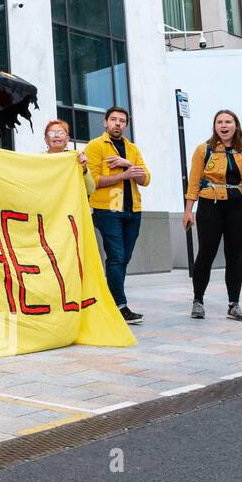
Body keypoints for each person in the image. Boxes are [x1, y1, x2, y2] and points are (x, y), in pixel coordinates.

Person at [182, 110, 242, 322]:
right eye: (219, 122)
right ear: (215, 126)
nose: (223, 125)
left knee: (234, 256)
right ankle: (198, 301)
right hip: (209, 205)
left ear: (235, 125)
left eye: (228, 122)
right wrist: (188, 210)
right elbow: (193, 181)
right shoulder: (204, 149)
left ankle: (234, 305)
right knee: (206, 253)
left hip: (239, 207)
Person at [85, 106, 150, 326]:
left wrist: (128, 164)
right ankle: (120, 306)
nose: (117, 124)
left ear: (126, 125)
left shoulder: (132, 149)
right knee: (116, 257)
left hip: (133, 211)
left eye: (122, 121)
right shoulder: (95, 146)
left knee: (124, 259)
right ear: (105, 122)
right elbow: (92, 181)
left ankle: (109, 299)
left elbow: (145, 178)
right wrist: (125, 174)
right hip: (108, 210)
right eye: (113, 119)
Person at [44, 118, 95, 196]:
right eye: (51, 133)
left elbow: (90, 189)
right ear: (46, 139)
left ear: (67, 139)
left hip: (69, 207)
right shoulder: (39, 160)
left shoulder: (77, 159)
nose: (56, 135)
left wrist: (84, 169)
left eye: (61, 133)